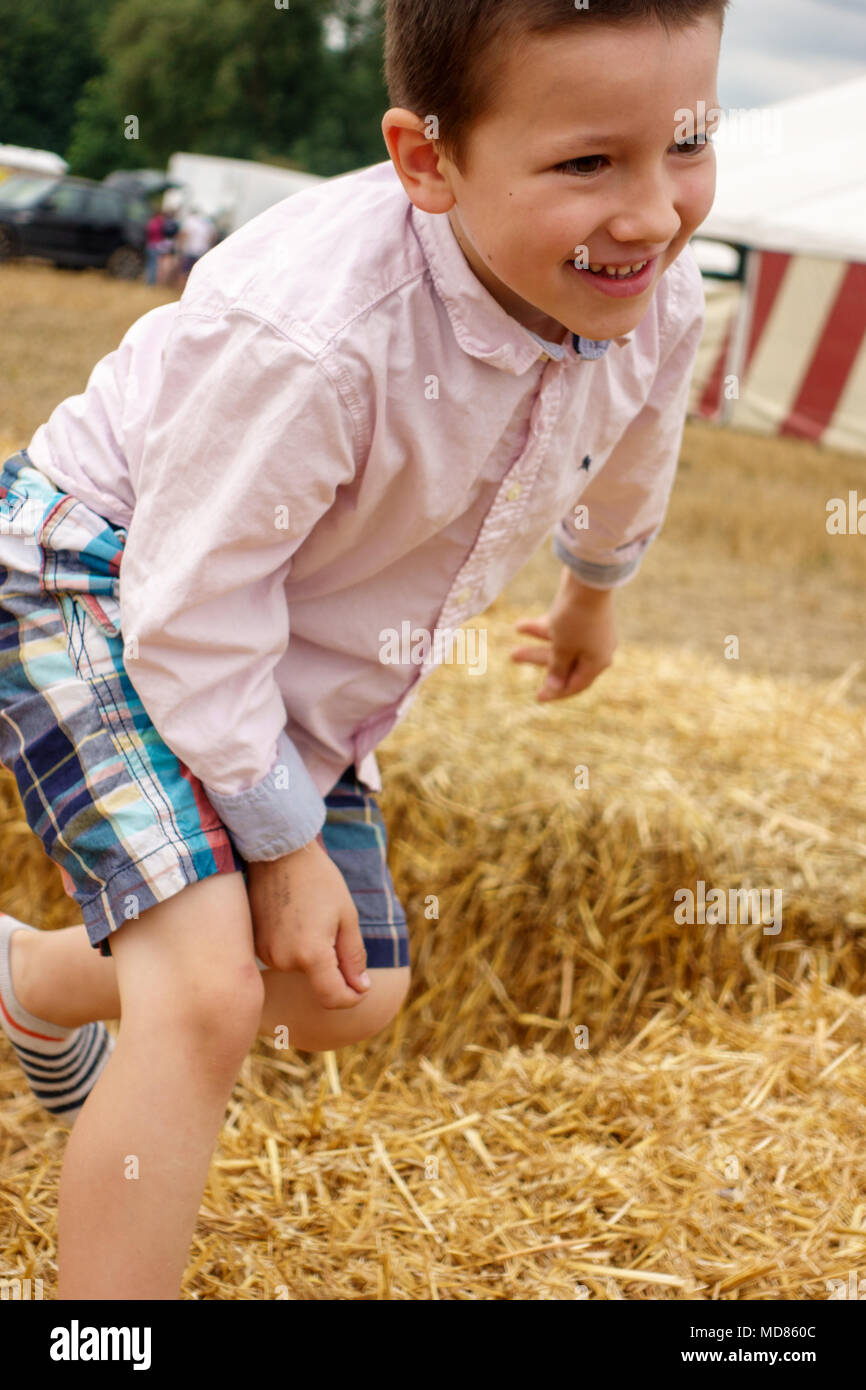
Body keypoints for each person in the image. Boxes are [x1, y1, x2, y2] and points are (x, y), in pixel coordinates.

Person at [0, 0, 725, 1300]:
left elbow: (634, 443)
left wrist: (591, 595)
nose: (654, 214)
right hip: (108, 573)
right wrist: (275, 844)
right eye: (585, 164)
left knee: (352, 988)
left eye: (684, 145)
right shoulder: (311, 332)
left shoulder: (650, 288)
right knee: (210, 995)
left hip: (282, 635)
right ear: (425, 158)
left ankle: (34, 980)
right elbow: (189, 603)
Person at [176, 206, 216, 287]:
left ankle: (181, 289)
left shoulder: (190, 221)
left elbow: (184, 234)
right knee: (197, 272)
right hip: (203, 250)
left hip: (191, 249)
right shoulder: (207, 223)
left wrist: (179, 247)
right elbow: (213, 236)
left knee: (185, 271)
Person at [143, 207, 166, 285]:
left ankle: (147, 280)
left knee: (149, 264)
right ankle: (151, 282)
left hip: (149, 245)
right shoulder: (160, 223)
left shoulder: (151, 222)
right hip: (156, 246)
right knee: (154, 265)